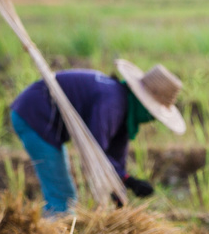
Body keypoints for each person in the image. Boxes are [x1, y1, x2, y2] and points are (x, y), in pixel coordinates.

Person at [10, 60, 186, 214]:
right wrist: (129, 180)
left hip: (39, 117)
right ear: (144, 104)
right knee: (63, 197)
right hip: (35, 115)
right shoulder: (112, 104)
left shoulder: (122, 103)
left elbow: (115, 153)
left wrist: (118, 194)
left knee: (63, 195)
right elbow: (95, 151)